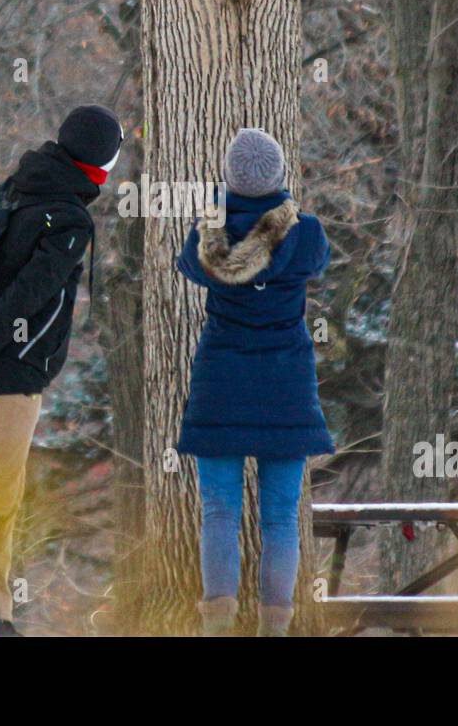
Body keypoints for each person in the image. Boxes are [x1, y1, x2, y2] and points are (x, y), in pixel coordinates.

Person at [0, 105, 123, 636]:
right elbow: (25, 300)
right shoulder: (69, 219)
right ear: (101, 160)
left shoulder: (14, 188)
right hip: (6, 374)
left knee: (3, 494)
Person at [176, 127, 333, 637]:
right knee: (281, 516)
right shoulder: (305, 233)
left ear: (230, 178)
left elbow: (188, 267)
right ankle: (274, 628)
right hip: (285, 384)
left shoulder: (208, 238)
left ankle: (216, 627)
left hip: (221, 380)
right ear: (280, 175)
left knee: (219, 510)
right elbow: (319, 262)